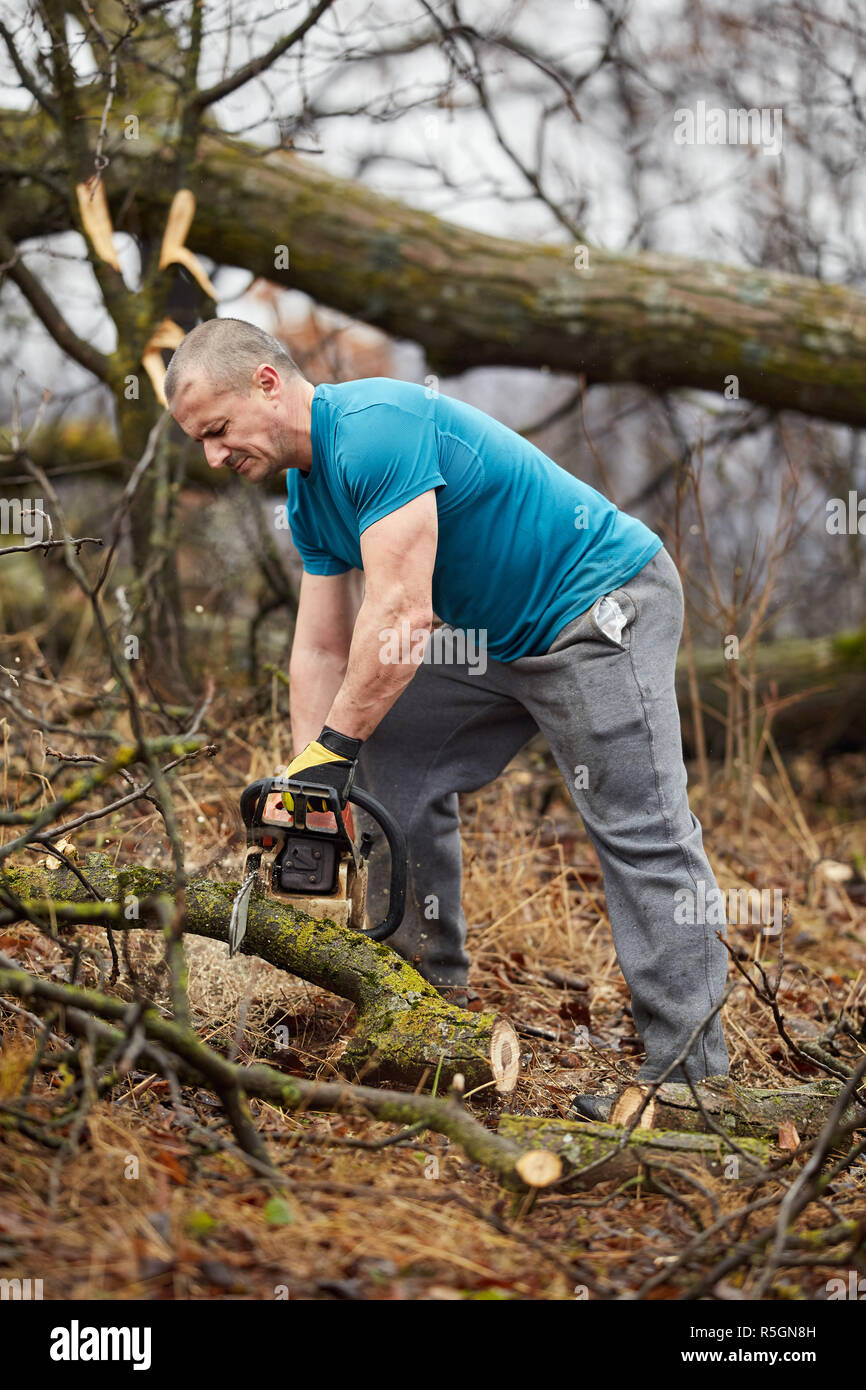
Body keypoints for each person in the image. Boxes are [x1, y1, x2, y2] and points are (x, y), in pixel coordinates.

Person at [166, 316, 730, 1100]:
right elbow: (323, 651)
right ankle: (425, 1017)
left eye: (217, 430)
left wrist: (332, 751)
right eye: (199, 440)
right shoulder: (307, 494)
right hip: (490, 638)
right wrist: (309, 785)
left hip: (596, 609)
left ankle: (691, 1084)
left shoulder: (374, 431)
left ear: (266, 381)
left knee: (641, 828)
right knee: (387, 756)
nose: (213, 456)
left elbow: (400, 620)